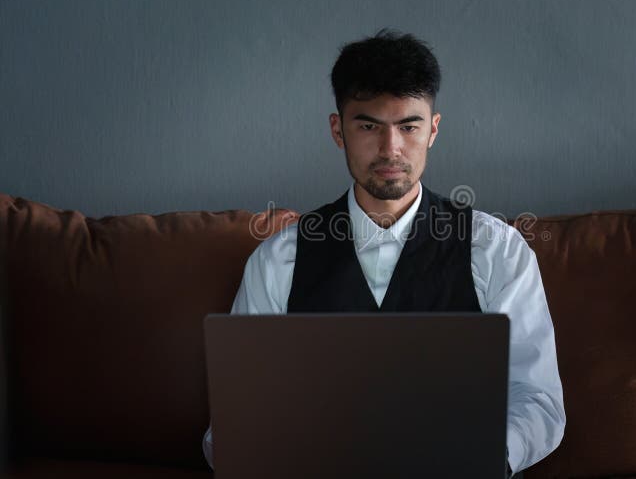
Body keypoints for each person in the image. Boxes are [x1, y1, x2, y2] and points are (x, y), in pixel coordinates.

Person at [202, 29, 565, 477]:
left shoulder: (498, 251)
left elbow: (538, 399)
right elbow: (232, 424)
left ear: (432, 130)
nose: (390, 149)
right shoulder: (279, 260)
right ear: (339, 130)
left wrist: (481, 456)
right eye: (369, 125)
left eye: (408, 126)